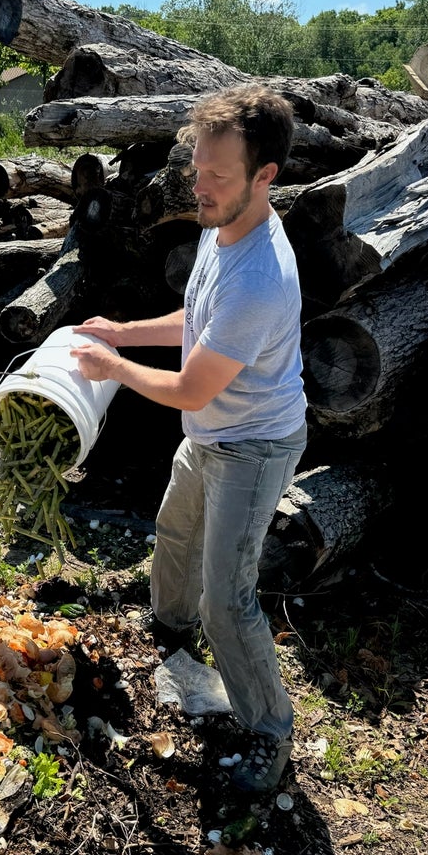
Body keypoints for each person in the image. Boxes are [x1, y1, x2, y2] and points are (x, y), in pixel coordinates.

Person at [69, 84, 308, 794]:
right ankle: (169, 627)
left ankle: (269, 729)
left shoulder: (262, 275)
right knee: (174, 531)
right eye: (197, 169)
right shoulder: (219, 227)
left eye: (217, 176)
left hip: (253, 446)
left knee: (227, 600)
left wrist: (113, 367)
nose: (198, 188)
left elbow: (189, 388)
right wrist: (122, 330)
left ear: (266, 177)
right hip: (211, 432)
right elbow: (195, 316)